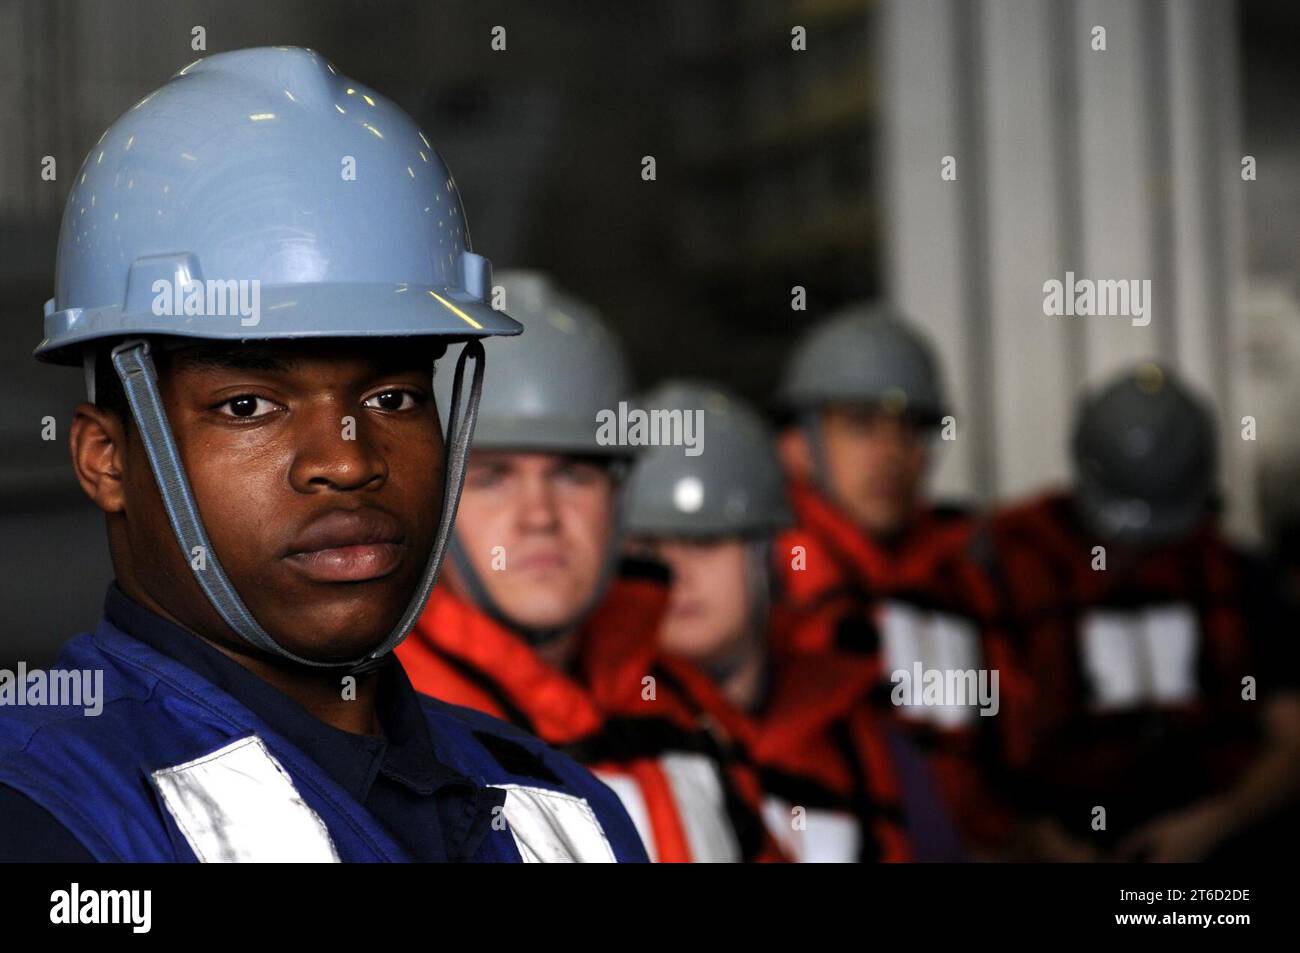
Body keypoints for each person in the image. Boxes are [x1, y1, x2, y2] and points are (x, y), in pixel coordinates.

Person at [0, 47, 647, 863]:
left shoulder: (564, 813)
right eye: (249, 406)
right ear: (105, 459)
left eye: (392, 398)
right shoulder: (41, 810)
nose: (346, 462)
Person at [397, 273, 784, 862]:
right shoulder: (377, 727)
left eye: (573, 474)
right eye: (495, 477)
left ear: (621, 499)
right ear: (438, 495)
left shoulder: (690, 716)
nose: (540, 517)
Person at [622, 379, 973, 862]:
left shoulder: (861, 733)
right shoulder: (598, 746)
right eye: (649, 548)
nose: (677, 573)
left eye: (706, 542)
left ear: (767, 555)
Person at [985, 363, 1300, 862]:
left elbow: (1293, 739)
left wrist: (1216, 822)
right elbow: (966, 750)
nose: (1135, 548)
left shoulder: (1240, 580)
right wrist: (1037, 840)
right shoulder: (1008, 570)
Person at [771, 303, 1028, 852]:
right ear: (798, 444)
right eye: (862, 426)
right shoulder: (759, 576)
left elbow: (1007, 754)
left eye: (911, 430)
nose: (892, 454)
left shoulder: (963, 578)